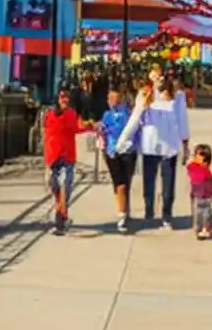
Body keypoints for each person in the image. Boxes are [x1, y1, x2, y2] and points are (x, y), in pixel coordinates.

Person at [116, 75, 190, 229]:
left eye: (160, 77)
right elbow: (135, 119)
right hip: (150, 145)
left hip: (170, 147)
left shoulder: (178, 96)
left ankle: (167, 215)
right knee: (149, 183)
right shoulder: (145, 95)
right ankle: (149, 211)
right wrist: (122, 140)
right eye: (154, 77)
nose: (158, 80)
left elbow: (182, 119)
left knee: (168, 186)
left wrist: (185, 143)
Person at [44, 88, 96, 234]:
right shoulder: (48, 115)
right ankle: (61, 212)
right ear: (57, 100)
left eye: (67, 98)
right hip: (53, 156)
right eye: (62, 98)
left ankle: (60, 219)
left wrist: (90, 127)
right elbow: (45, 134)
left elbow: (78, 128)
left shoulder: (72, 114)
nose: (65, 100)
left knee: (66, 187)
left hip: (67, 156)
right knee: (54, 186)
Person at [98, 83, 140, 234]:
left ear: (120, 99)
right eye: (109, 98)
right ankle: (122, 216)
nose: (112, 100)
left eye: (114, 97)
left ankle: (124, 211)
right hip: (111, 153)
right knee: (119, 185)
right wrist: (101, 132)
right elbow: (104, 131)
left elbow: (134, 130)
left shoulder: (128, 114)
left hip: (128, 152)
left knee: (125, 184)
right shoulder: (106, 115)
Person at [187, 143, 212, 239]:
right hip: (204, 195)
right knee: (205, 213)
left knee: (198, 213)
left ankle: (200, 228)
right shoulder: (207, 172)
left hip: (197, 195)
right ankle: (204, 228)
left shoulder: (194, 167)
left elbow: (189, 168)